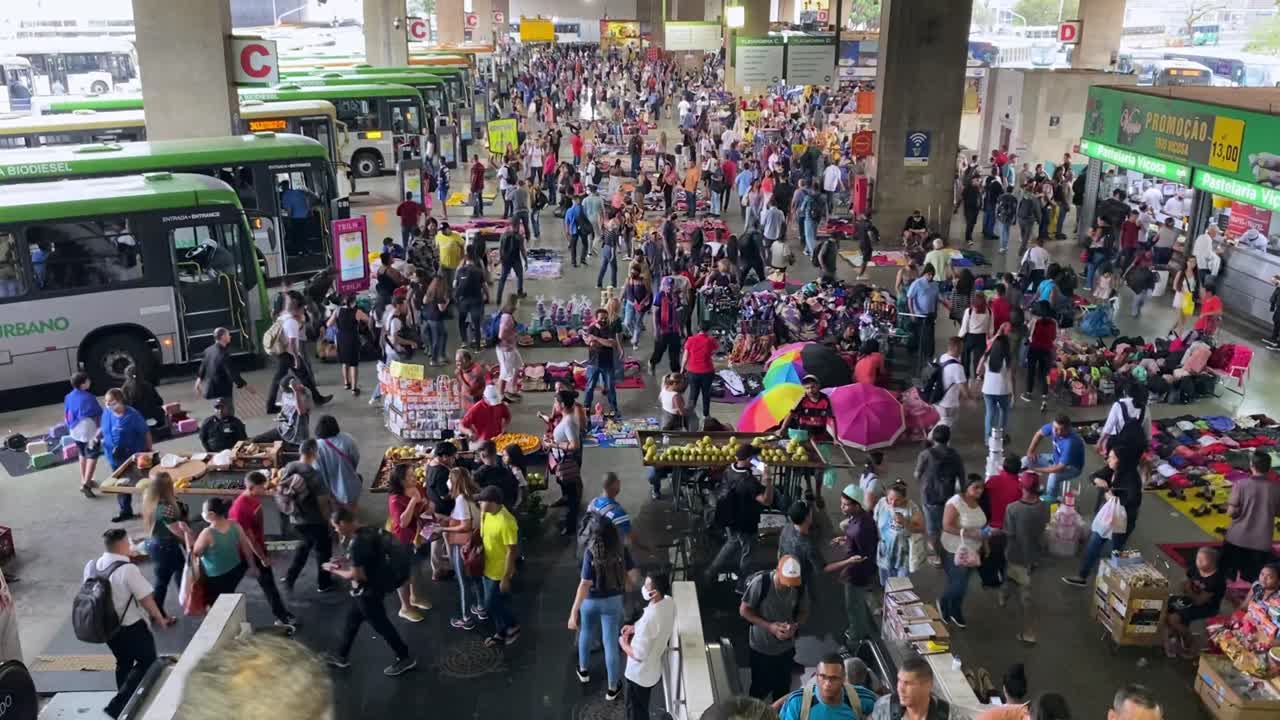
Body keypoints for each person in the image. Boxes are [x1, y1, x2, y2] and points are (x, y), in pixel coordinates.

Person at [85, 528, 174, 718]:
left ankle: (125, 701)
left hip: (106, 627)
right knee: (148, 661)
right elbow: (146, 599)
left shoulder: (91, 566)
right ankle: (119, 705)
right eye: (129, 542)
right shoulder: (127, 569)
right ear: (123, 545)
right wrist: (160, 618)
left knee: (123, 662)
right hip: (131, 626)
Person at [322, 508, 417, 676]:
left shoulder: (357, 543)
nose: (336, 530)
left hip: (368, 592)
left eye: (336, 527)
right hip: (375, 586)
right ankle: (341, 655)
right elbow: (367, 556)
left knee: (382, 625)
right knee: (352, 620)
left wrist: (332, 569)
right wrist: (344, 560)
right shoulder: (370, 530)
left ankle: (405, 657)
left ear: (343, 523)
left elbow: (356, 575)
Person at [570, 513, 638, 701]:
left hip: (590, 601)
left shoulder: (590, 551)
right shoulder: (621, 549)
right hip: (613, 602)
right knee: (610, 643)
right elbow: (632, 575)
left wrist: (574, 611)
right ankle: (612, 687)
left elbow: (584, 583)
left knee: (586, 633)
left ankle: (583, 671)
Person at [1062, 448, 1143, 586]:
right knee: (1093, 544)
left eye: (1111, 457)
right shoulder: (1112, 469)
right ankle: (1082, 576)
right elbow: (1093, 476)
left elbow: (1132, 501)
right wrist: (1097, 480)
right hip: (1107, 517)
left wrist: (1110, 494)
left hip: (1122, 521)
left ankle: (1119, 584)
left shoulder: (1131, 478)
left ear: (1120, 460)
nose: (1108, 460)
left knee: (1116, 550)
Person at [228, 472, 297, 630]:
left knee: (262, 583)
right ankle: (282, 617)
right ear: (252, 488)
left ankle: (282, 615)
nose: (265, 489)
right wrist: (262, 558)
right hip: (248, 552)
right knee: (267, 583)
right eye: (262, 487)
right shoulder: (242, 508)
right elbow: (249, 539)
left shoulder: (250, 499)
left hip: (251, 549)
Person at [740, 556, 810, 702]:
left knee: (783, 689)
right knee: (759, 688)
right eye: (786, 582)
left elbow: (804, 611)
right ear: (777, 571)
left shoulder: (799, 586)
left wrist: (794, 626)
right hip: (761, 649)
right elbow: (744, 610)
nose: (789, 586)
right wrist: (770, 627)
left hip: (785, 649)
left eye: (792, 583)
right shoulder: (761, 584)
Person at [707, 445, 775, 591]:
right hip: (746, 522)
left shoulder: (729, 469)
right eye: (756, 459)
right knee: (748, 552)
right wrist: (768, 480)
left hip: (730, 518)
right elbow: (766, 500)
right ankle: (743, 583)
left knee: (732, 543)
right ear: (750, 459)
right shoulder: (749, 481)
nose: (758, 461)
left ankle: (711, 572)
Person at [621, 572, 678, 720]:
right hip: (651, 672)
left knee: (635, 712)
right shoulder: (668, 602)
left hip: (637, 675)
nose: (643, 588)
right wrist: (634, 628)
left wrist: (623, 644)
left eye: (646, 586)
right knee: (642, 707)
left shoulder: (650, 620)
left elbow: (639, 655)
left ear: (654, 593)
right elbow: (655, 629)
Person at [826, 486, 877, 648]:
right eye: (842, 504)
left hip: (857, 573)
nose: (842, 507)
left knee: (854, 605)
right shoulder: (856, 518)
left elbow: (861, 556)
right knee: (854, 603)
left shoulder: (863, 527)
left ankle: (856, 636)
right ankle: (858, 629)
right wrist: (844, 539)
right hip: (854, 569)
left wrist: (846, 570)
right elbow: (854, 541)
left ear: (857, 505)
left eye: (846, 505)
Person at [281, 439, 334, 593]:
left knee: (304, 547)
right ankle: (324, 583)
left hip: (296, 518)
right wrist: (329, 522)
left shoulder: (289, 467)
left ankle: (290, 577)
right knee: (323, 551)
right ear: (313, 453)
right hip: (315, 520)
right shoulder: (314, 476)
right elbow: (323, 503)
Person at [1002, 473, 1049, 645]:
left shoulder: (1012, 508)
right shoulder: (1044, 506)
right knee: (1018, 581)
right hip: (1035, 555)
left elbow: (1010, 533)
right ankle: (1004, 594)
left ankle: (1029, 633)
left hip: (1016, 554)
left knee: (1025, 595)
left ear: (1021, 487)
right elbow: (1044, 526)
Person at [437, 467, 485, 630]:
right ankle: (481, 607)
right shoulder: (472, 497)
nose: (447, 481)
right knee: (476, 576)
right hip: (475, 542)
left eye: (450, 478)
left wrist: (444, 529)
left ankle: (465, 617)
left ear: (455, 481)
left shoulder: (460, 500)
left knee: (463, 580)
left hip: (464, 544)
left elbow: (465, 525)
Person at [1221, 451, 1280, 583]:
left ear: (1251, 465)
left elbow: (1231, 513)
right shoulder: (1276, 489)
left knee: (1226, 575)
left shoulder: (1241, 485)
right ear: (1269, 468)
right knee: (1254, 580)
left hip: (1236, 538)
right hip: (1261, 542)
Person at [938, 475, 987, 628]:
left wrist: (985, 542)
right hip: (955, 550)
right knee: (958, 583)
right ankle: (944, 602)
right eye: (976, 487)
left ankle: (955, 609)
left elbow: (981, 527)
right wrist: (968, 533)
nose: (980, 491)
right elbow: (946, 525)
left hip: (973, 551)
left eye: (981, 487)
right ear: (966, 487)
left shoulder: (978, 502)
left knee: (963, 582)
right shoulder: (955, 503)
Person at [140, 473, 190, 622]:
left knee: (180, 569)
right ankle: (158, 614)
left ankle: (185, 596)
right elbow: (177, 531)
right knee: (162, 581)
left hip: (156, 543)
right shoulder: (165, 509)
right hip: (165, 547)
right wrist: (190, 543)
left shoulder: (149, 500)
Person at [385, 465, 432, 622]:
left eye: (414, 474)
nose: (415, 478)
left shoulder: (417, 487)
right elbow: (403, 522)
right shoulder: (395, 499)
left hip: (418, 538)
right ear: (401, 481)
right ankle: (405, 608)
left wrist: (427, 505)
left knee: (416, 569)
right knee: (403, 576)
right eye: (411, 476)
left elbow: (426, 506)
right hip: (402, 542)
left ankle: (415, 597)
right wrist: (413, 501)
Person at [99, 387, 152, 522]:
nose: (109, 405)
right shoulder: (107, 413)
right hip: (113, 456)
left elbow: (146, 432)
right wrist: (96, 437)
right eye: (107, 402)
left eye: (112, 402)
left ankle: (152, 510)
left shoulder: (133, 416)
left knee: (141, 483)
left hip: (132, 456)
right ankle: (125, 510)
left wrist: (149, 451)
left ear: (120, 400)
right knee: (121, 484)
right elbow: (104, 428)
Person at [1162, 546, 1225, 658]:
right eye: (1197, 559)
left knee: (1173, 619)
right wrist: (1185, 587)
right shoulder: (1195, 568)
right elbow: (1185, 582)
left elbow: (1199, 601)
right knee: (1164, 605)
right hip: (1190, 599)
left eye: (1202, 560)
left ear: (1212, 563)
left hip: (1206, 607)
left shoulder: (1216, 580)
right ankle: (1175, 636)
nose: (1198, 562)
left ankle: (1190, 640)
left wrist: (1188, 590)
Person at [478, 485, 521, 647]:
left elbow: (512, 551)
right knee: (496, 603)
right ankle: (501, 632)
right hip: (487, 567)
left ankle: (513, 626)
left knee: (490, 604)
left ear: (493, 502)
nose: (479, 503)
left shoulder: (506, 522)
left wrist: (506, 577)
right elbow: (484, 535)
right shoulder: (488, 513)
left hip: (499, 572)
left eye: (482, 501)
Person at [1023, 416, 1085, 500]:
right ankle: (1026, 488)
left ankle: (1051, 499)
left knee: (1054, 476)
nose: (1055, 431)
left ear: (1067, 429)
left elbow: (1059, 468)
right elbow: (1039, 434)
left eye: (1059, 429)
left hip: (1071, 467)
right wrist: (1031, 451)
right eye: (1054, 428)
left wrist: (1036, 470)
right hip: (1055, 459)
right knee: (1026, 460)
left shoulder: (1071, 443)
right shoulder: (1054, 427)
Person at [549, 390, 585, 535]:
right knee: (566, 487)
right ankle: (565, 499)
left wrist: (555, 445)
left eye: (556, 402)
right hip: (562, 459)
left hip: (567, 461)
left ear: (562, 405)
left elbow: (574, 444)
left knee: (572, 494)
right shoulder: (566, 418)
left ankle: (570, 525)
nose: (554, 405)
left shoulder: (569, 421)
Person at [194, 327, 250, 415]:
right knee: (228, 413)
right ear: (223, 337)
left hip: (212, 389)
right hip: (223, 389)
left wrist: (198, 381)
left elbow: (203, 366)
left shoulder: (208, 350)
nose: (230, 336)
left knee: (218, 412)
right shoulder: (223, 354)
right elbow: (231, 373)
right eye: (228, 335)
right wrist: (245, 386)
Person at [64, 371, 103, 497]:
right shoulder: (88, 397)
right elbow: (98, 412)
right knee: (92, 454)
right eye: (87, 380)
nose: (89, 382)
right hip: (87, 430)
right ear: (83, 384)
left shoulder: (68, 396)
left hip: (74, 430)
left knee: (82, 452)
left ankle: (84, 479)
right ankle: (86, 484)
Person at [313, 414, 361, 511]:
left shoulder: (316, 447)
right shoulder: (347, 439)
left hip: (329, 491)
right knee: (350, 515)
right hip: (349, 487)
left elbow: (316, 470)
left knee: (336, 515)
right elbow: (355, 458)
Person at [328, 295, 372, 394]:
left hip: (341, 338)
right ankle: (354, 388)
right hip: (352, 338)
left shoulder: (338, 311)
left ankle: (346, 383)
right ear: (354, 301)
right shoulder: (357, 312)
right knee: (353, 363)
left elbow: (328, 324)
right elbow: (368, 320)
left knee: (344, 362)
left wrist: (338, 325)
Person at [253, 374, 311, 449]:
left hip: (296, 436)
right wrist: (282, 415)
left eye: (284, 390)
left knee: (283, 456)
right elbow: (285, 407)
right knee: (256, 440)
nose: (282, 392)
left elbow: (301, 412)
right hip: (282, 430)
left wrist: (296, 391)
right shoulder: (285, 393)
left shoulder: (304, 394)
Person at [976, 334, 1015, 442]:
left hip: (987, 389)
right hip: (1003, 390)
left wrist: (985, 372)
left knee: (989, 413)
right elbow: (1010, 377)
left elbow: (978, 370)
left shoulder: (987, 356)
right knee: (1004, 411)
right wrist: (1013, 393)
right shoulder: (1007, 359)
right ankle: (1001, 436)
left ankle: (987, 439)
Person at [584, 307, 622, 417]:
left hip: (607, 364)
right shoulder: (591, 329)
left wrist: (596, 338)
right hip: (593, 363)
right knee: (590, 386)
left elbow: (612, 344)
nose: (604, 320)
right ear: (596, 318)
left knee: (610, 387)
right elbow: (590, 343)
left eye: (606, 318)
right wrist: (602, 342)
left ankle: (614, 408)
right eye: (601, 318)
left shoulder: (610, 329)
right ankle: (586, 406)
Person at [1020, 301, 1057, 412]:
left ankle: (1028, 393)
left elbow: (1028, 335)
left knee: (1031, 371)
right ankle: (1044, 395)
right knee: (1045, 373)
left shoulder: (1035, 321)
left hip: (1034, 349)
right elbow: (1054, 337)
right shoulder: (1053, 322)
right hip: (1047, 350)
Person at [682, 320, 718, 421]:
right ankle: (706, 415)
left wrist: (682, 369)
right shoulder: (711, 340)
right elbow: (714, 351)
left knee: (693, 394)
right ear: (708, 330)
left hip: (693, 371)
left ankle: (689, 415)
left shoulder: (690, 340)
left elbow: (685, 357)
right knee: (706, 394)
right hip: (707, 371)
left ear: (699, 328)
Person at [784, 374, 836, 441]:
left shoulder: (825, 400)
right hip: (803, 435)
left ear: (818, 386)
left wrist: (835, 438)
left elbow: (832, 419)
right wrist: (782, 428)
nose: (810, 390)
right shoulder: (802, 399)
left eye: (813, 387)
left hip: (820, 435)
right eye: (807, 388)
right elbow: (791, 413)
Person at [932, 337, 969, 429]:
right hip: (948, 402)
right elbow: (963, 388)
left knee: (944, 422)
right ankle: (931, 439)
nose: (962, 350)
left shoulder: (943, 357)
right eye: (961, 347)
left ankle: (934, 439)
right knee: (945, 425)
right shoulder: (957, 367)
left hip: (937, 396)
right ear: (957, 348)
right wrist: (970, 398)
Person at [907, 264, 940, 360]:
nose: (931, 277)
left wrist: (936, 311)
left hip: (930, 314)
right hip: (919, 314)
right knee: (921, 335)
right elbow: (910, 298)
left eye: (932, 275)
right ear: (925, 273)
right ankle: (920, 354)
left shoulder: (935, 284)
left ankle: (929, 355)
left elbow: (935, 299)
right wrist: (912, 313)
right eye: (929, 274)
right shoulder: (917, 283)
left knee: (930, 336)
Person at [958, 294, 993, 379]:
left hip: (969, 336)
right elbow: (991, 327)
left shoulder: (969, 311)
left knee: (965, 356)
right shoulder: (989, 311)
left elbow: (964, 327)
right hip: (981, 338)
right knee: (978, 358)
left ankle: (965, 374)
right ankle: (978, 375)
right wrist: (989, 337)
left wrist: (959, 337)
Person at [420, 276, 450, 366]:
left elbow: (424, 301)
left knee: (443, 335)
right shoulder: (440, 294)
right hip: (436, 318)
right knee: (437, 339)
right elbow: (441, 308)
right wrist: (447, 301)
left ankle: (441, 356)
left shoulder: (429, 291)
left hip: (428, 317)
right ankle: (435, 359)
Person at [436, 222, 464, 291]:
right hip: (443, 265)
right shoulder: (438, 236)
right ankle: (447, 298)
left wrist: (462, 259)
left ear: (449, 229)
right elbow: (437, 248)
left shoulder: (456, 236)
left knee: (452, 283)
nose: (442, 231)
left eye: (444, 230)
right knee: (444, 284)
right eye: (441, 230)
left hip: (454, 265)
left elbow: (462, 246)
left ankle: (453, 298)